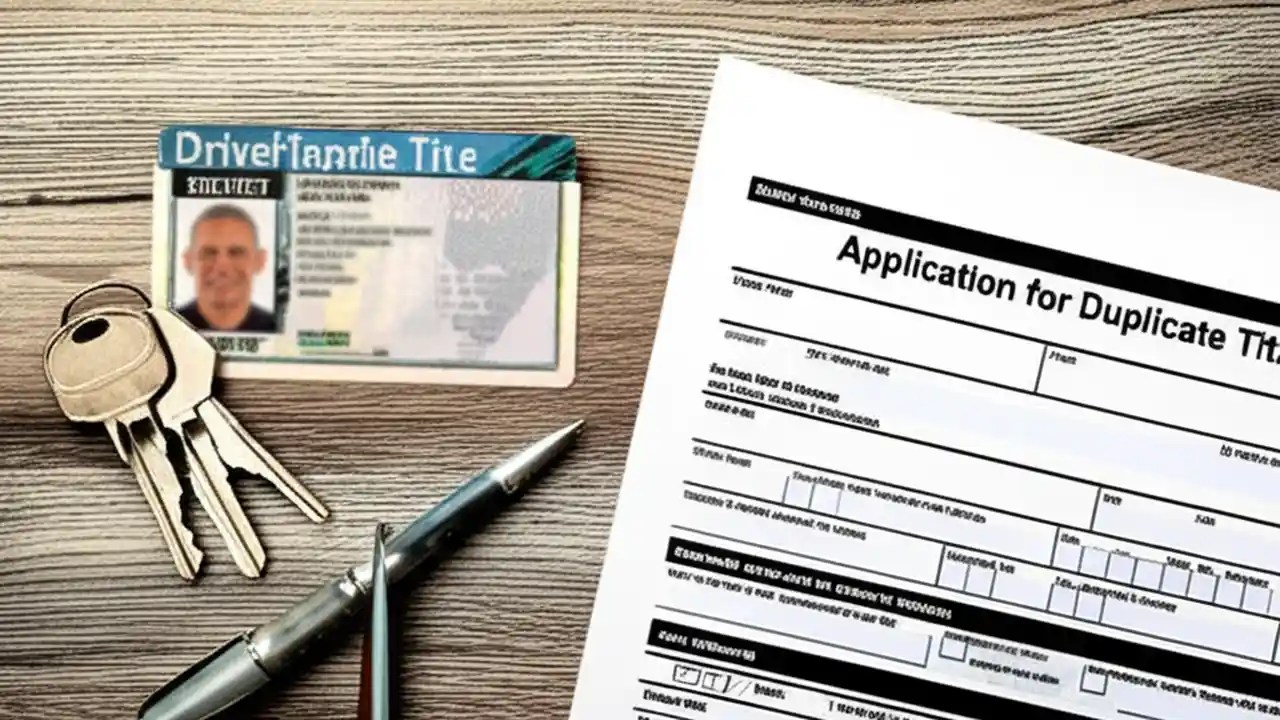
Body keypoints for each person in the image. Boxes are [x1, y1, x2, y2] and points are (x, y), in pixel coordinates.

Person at [176, 203, 277, 333]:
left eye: (236, 252)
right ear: (188, 261)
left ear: (260, 260)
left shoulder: (281, 332)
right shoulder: (169, 328)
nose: (222, 267)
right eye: (209, 253)